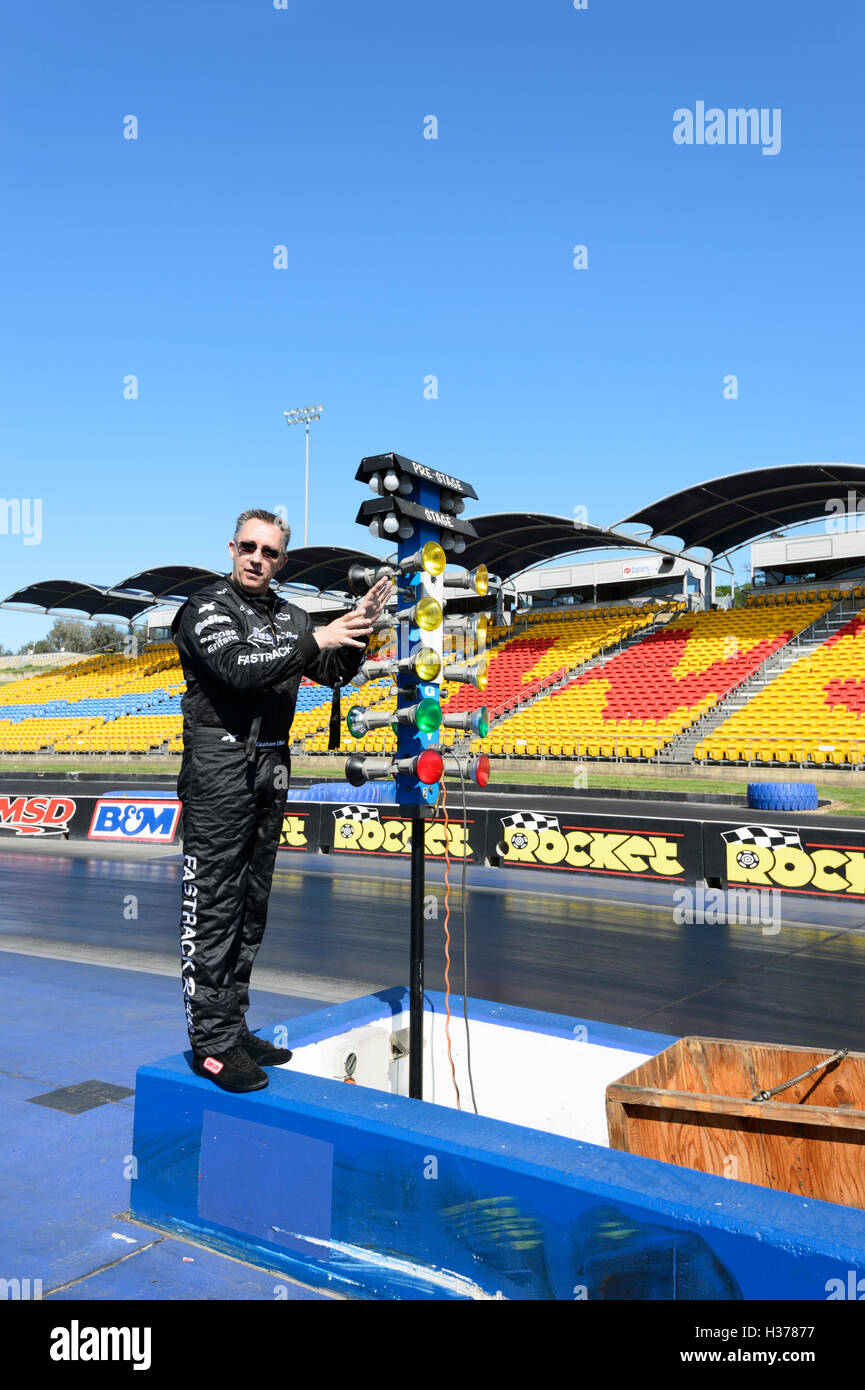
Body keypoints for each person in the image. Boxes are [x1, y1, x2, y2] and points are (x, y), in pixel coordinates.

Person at [171, 508, 390, 1092]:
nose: (257, 559)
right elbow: (239, 671)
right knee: (214, 907)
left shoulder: (290, 616)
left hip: (271, 770)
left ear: (282, 560)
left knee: (251, 908)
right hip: (219, 770)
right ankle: (210, 1045)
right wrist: (314, 637)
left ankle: (233, 1027)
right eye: (249, 547)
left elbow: (334, 669)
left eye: (270, 553)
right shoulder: (205, 608)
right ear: (232, 547)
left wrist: (361, 626)